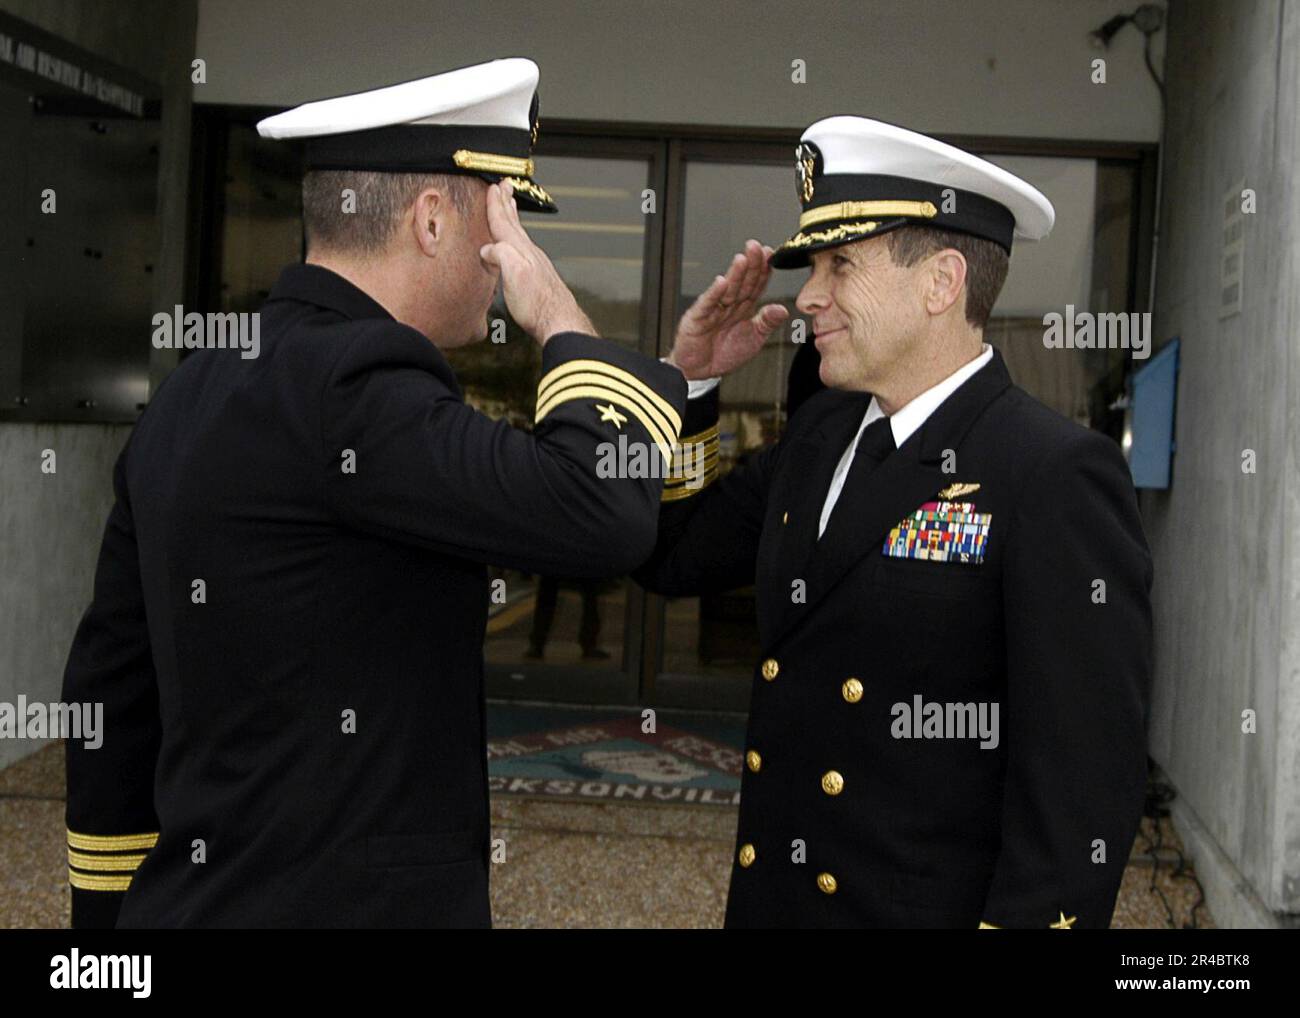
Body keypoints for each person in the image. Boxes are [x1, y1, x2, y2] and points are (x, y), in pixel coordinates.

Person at [60, 58, 688, 928]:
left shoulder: (196, 387)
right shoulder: (361, 380)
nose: (507, 262)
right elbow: (601, 515)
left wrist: (106, 929)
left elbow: (110, 687)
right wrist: (561, 321)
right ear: (433, 221)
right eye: (503, 226)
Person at [638, 116, 1153, 928]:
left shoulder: (1051, 474)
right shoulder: (818, 435)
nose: (808, 294)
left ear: (941, 283)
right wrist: (692, 386)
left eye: (842, 264)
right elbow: (672, 553)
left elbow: (1081, 786)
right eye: (814, 266)